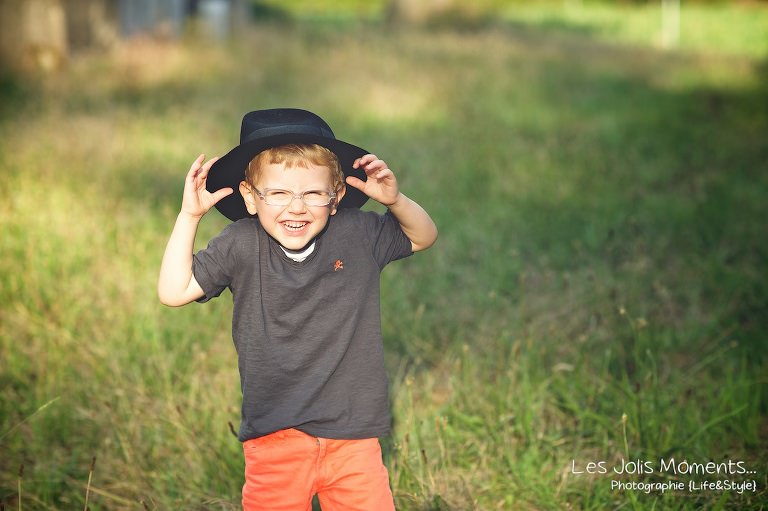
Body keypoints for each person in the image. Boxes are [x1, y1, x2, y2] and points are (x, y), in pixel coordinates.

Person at [157, 108, 437, 510]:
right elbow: (174, 290)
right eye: (279, 193)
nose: (297, 207)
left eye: (312, 193)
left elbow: (423, 236)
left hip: (353, 433)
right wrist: (189, 216)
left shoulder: (358, 234)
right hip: (275, 436)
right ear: (251, 199)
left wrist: (395, 201)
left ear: (336, 197)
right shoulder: (239, 244)